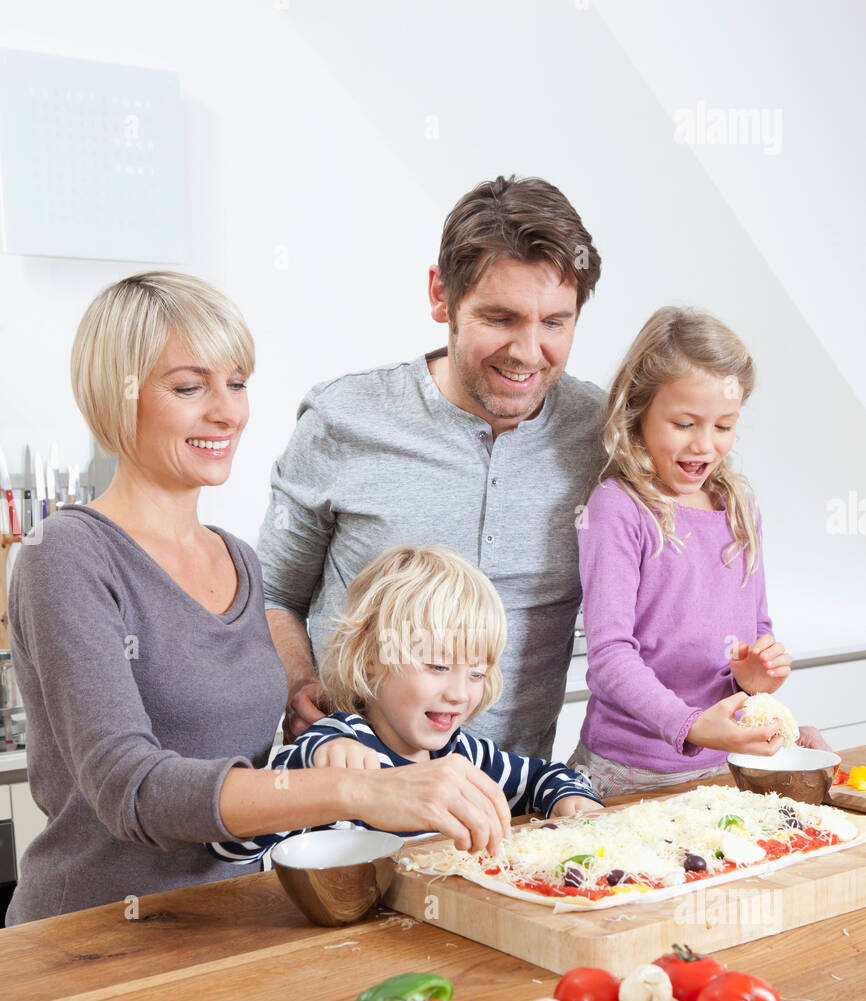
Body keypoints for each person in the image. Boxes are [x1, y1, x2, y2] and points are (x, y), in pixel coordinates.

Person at [5, 274, 509, 926]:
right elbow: (132, 789)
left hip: (238, 920)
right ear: (117, 396)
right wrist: (362, 787)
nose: (227, 411)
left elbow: (238, 762)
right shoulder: (64, 552)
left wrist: (313, 723)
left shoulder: (239, 559)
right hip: (93, 941)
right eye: (189, 387)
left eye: (237, 382)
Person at [257, 174, 606, 762]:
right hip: (354, 796)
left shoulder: (602, 435)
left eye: (555, 322)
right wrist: (297, 683)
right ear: (441, 295)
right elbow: (269, 593)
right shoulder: (345, 419)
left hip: (516, 802)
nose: (527, 351)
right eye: (501, 318)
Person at [568, 306, 827, 799]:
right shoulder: (617, 508)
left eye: (724, 426)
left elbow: (758, 633)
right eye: (685, 423)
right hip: (626, 773)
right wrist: (691, 725)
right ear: (637, 409)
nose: (704, 446)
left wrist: (755, 675)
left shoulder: (740, 507)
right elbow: (610, 657)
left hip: (722, 769)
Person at [209, 545, 604, 865]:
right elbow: (231, 848)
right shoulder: (335, 742)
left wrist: (570, 798)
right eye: (437, 665)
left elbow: (542, 778)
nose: (458, 693)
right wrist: (322, 773)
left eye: (477, 673)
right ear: (370, 655)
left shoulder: (462, 755)